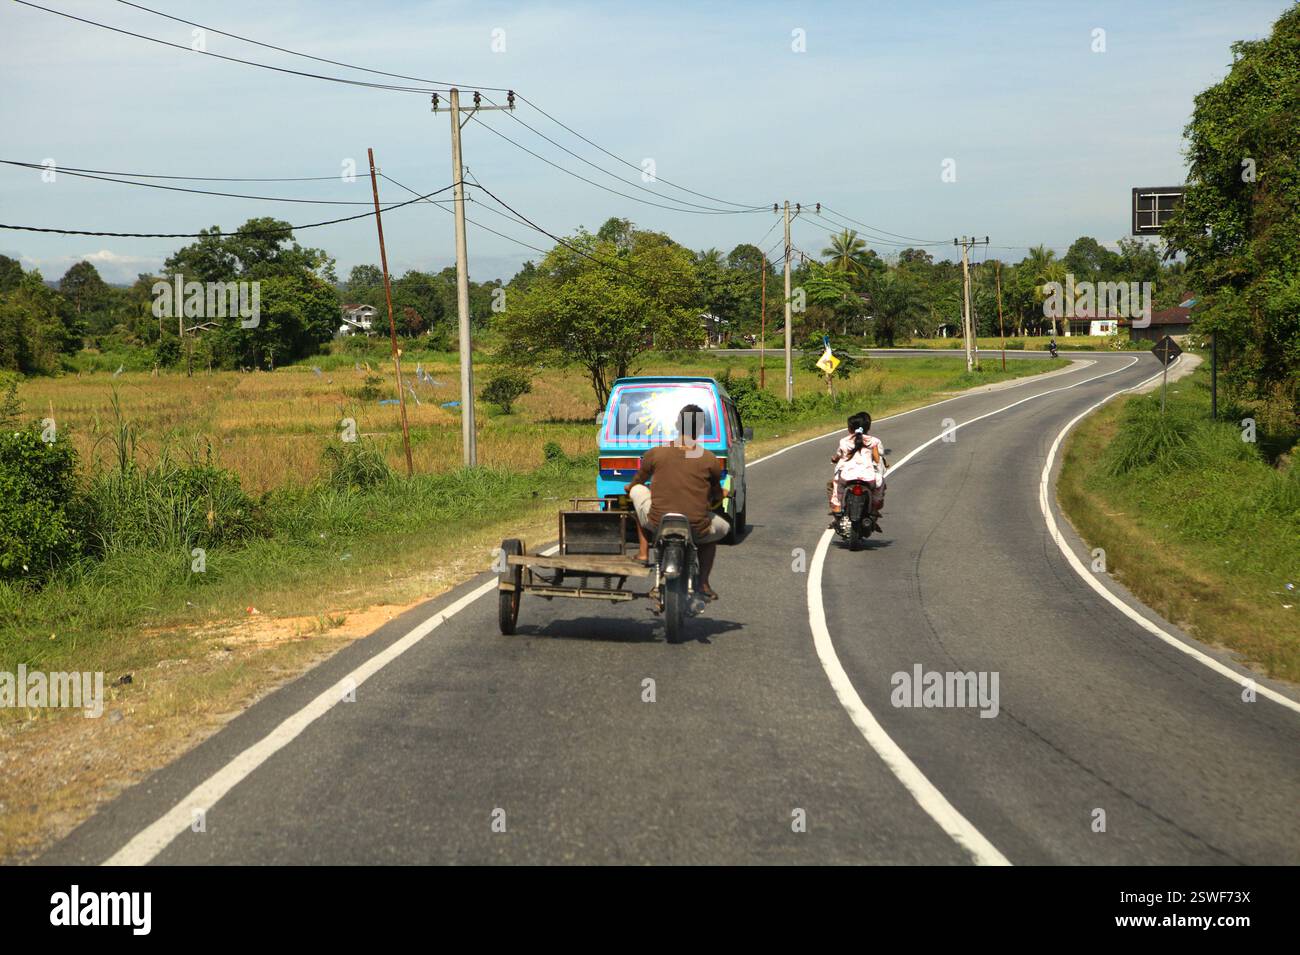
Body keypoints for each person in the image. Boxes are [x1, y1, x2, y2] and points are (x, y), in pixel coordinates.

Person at [624, 404, 728, 600]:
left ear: (677, 425)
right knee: (717, 531)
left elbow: (637, 481)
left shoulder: (655, 453)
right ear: (700, 429)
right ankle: (704, 583)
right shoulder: (709, 459)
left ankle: (644, 552)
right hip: (695, 526)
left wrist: (630, 488)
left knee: (638, 493)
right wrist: (721, 493)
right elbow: (715, 494)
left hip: (657, 521)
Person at [828, 411, 886, 531]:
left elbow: (839, 455)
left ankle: (837, 510)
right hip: (868, 477)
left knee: (837, 489)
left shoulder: (844, 441)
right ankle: (874, 510)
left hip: (847, 476)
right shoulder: (873, 441)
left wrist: (836, 458)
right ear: (868, 427)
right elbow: (877, 458)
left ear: (850, 429)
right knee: (879, 486)